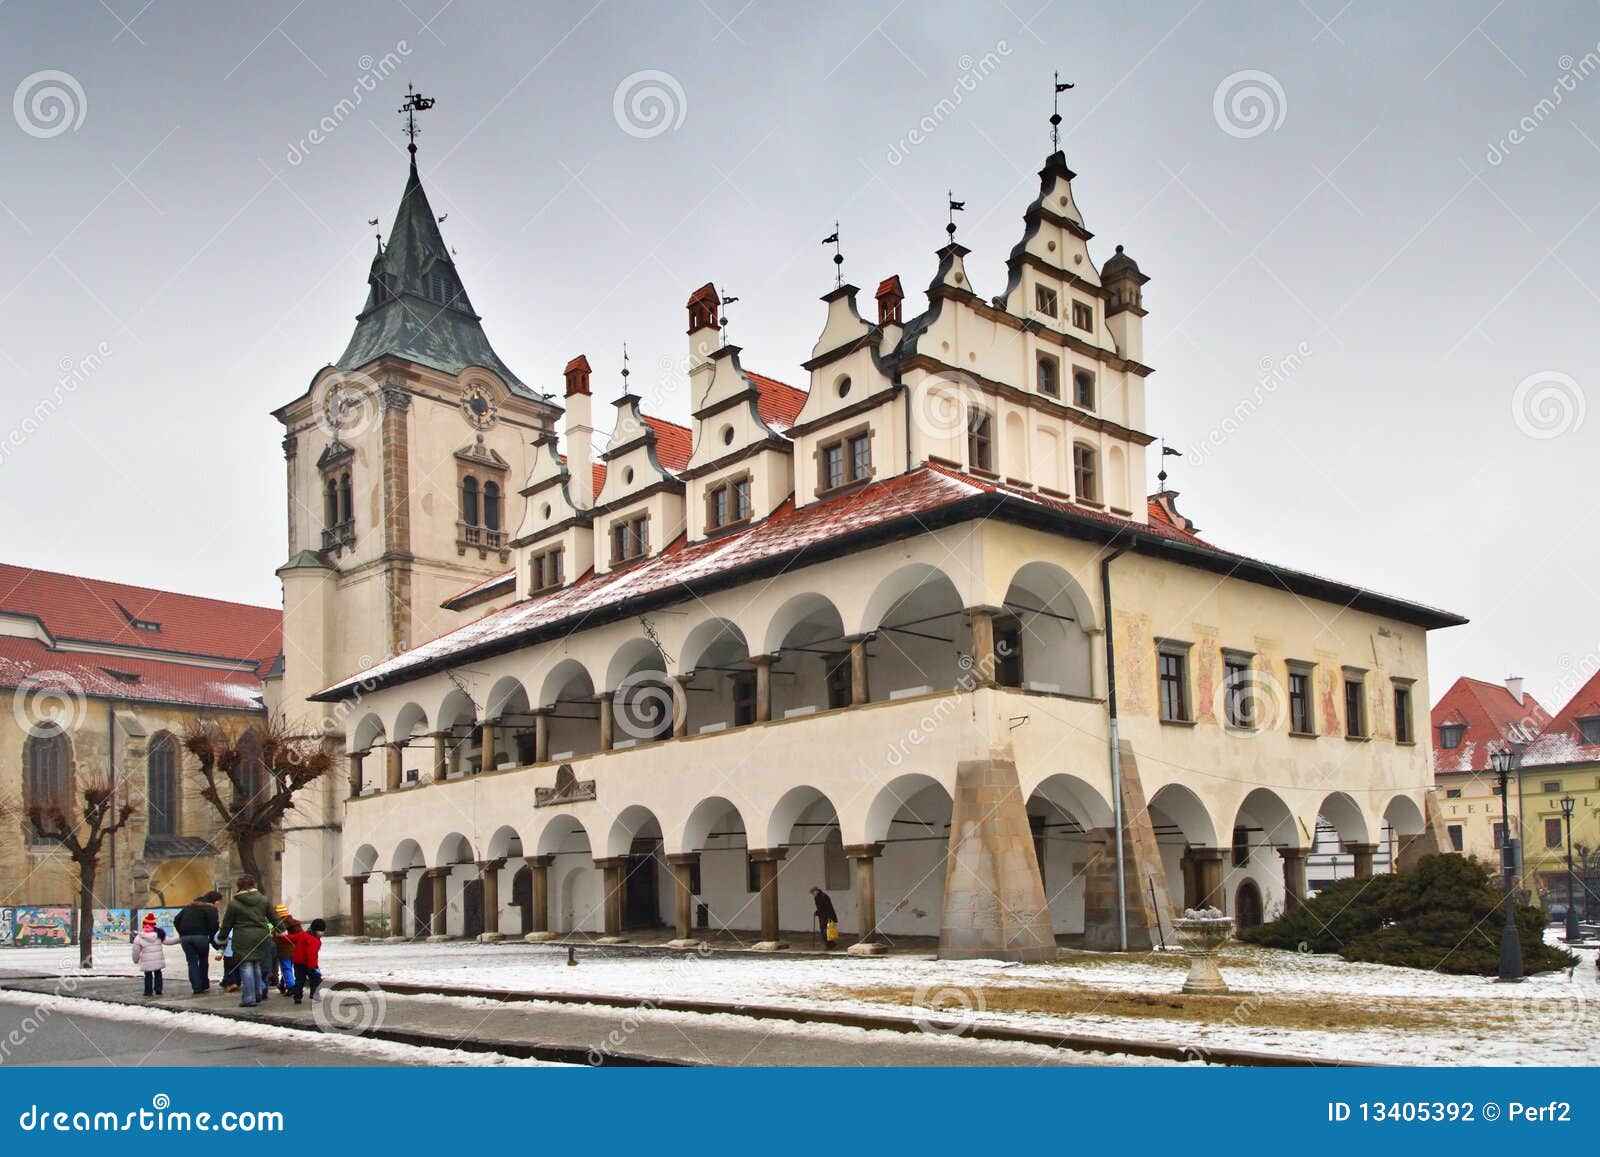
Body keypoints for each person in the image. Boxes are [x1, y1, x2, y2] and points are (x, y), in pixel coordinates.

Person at [215, 875, 281, 1008]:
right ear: (254, 885)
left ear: (239, 887)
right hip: (261, 936)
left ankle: (248, 998)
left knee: (246, 966)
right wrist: (282, 929)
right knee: (256, 964)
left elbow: (227, 923)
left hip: (243, 937)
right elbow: (273, 916)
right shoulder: (263, 900)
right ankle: (258, 993)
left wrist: (222, 938)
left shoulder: (235, 903)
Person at [173, 891, 221, 995]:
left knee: (192, 962)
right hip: (201, 937)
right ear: (214, 901)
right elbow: (214, 926)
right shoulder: (210, 909)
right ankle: (204, 984)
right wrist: (214, 940)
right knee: (203, 960)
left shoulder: (188, 908)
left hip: (185, 938)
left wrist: (182, 932)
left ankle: (196, 986)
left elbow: (176, 920)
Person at [130, 913, 169, 997]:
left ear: (143, 925)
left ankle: (148, 992)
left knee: (148, 975)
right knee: (158, 973)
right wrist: (180, 939)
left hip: (147, 962)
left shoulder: (139, 937)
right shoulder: (159, 935)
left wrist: (135, 960)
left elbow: (135, 951)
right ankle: (158, 989)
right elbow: (168, 941)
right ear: (154, 925)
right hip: (158, 960)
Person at [289, 917, 324, 1005]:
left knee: (299, 981)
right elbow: (311, 955)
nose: (322, 933)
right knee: (316, 979)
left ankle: (297, 997)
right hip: (309, 964)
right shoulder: (314, 940)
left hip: (297, 963)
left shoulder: (302, 934)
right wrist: (314, 967)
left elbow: (291, 938)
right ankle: (314, 994)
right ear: (317, 930)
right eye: (321, 931)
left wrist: (280, 937)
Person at [272, 907, 297, 995]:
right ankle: (282, 984)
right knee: (288, 968)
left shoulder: (278, 925)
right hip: (295, 949)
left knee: (286, 968)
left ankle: (291, 986)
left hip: (284, 951)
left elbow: (276, 939)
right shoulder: (295, 923)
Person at [810, 886, 839, 950]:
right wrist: (817, 912)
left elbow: (825, 907)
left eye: (813, 893)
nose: (813, 894)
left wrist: (818, 912)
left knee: (826, 931)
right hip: (822, 916)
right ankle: (830, 944)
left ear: (816, 891)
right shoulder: (817, 897)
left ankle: (830, 944)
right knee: (823, 931)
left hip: (827, 916)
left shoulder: (823, 896)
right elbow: (820, 907)